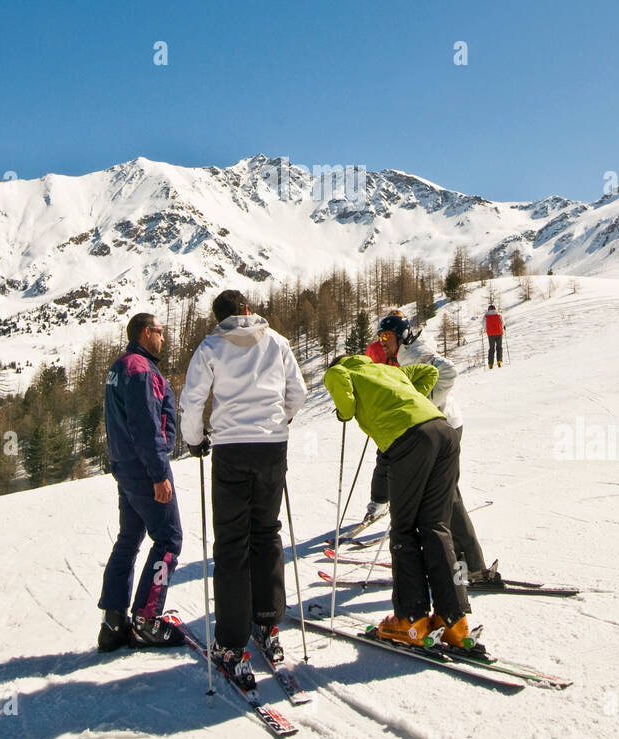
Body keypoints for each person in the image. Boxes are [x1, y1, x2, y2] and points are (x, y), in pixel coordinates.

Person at [180, 289, 307, 689]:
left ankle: (232, 644)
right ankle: (267, 624)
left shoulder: (211, 346)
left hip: (232, 449)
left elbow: (193, 399)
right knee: (267, 532)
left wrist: (196, 439)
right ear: (248, 309)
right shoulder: (278, 341)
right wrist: (276, 423)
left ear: (218, 318)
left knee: (233, 542)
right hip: (271, 446)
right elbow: (297, 394)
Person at [324, 354, 479, 648]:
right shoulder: (384, 369)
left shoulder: (339, 372)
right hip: (444, 431)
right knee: (436, 525)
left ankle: (411, 620)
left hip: (409, 440)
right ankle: (453, 620)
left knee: (404, 528)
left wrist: (347, 411)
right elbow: (428, 373)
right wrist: (409, 402)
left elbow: (344, 406)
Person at [363, 311, 492, 582]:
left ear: (403, 335)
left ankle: (471, 566)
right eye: (380, 337)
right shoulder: (407, 352)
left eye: (387, 337)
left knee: (447, 498)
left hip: (442, 427)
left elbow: (448, 371)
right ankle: (454, 560)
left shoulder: (415, 354)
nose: (383, 342)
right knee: (438, 497)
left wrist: (425, 399)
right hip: (441, 427)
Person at [98, 312, 185, 651]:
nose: (163, 338)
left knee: (129, 539)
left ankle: (114, 621)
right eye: (160, 332)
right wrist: (159, 474)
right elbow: (146, 426)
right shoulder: (140, 369)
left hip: (125, 466)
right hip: (145, 470)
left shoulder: (121, 366)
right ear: (146, 333)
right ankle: (148, 619)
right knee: (169, 539)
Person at [484, 303, 505, 369]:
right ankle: (499, 361)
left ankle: (491, 364)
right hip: (499, 333)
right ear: (494, 309)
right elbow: (503, 322)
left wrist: (486, 330)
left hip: (490, 334)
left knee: (491, 348)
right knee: (499, 347)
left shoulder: (486, 316)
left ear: (489, 309)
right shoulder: (499, 315)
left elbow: (483, 324)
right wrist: (503, 327)